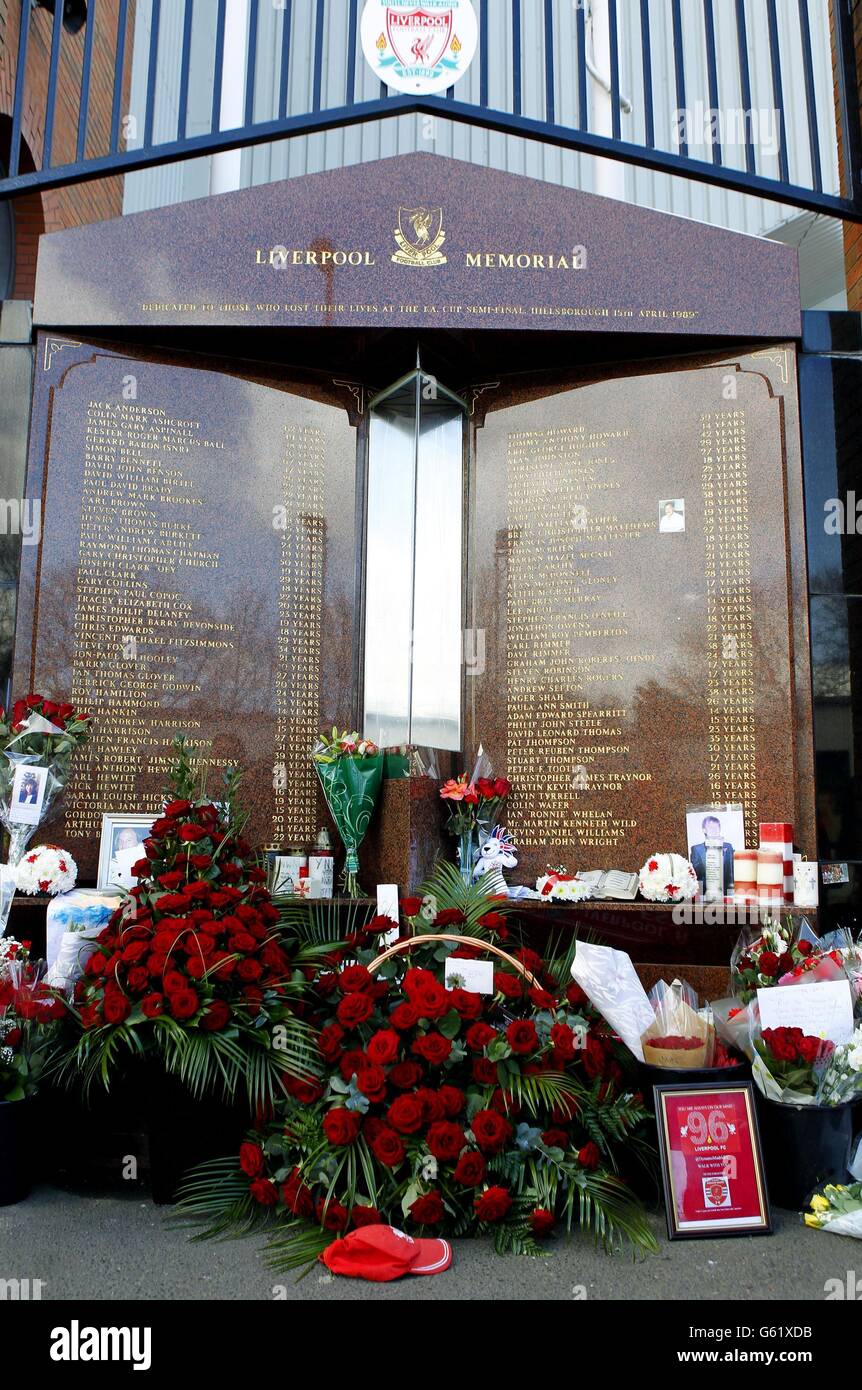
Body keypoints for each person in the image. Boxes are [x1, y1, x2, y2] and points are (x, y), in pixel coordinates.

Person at [689, 814, 735, 893]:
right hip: (705, 892)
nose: (714, 830)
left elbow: (732, 872)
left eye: (716, 827)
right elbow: (696, 875)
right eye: (710, 827)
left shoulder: (728, 847)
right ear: (704, 830)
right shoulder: (696, 849)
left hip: (725, 892)